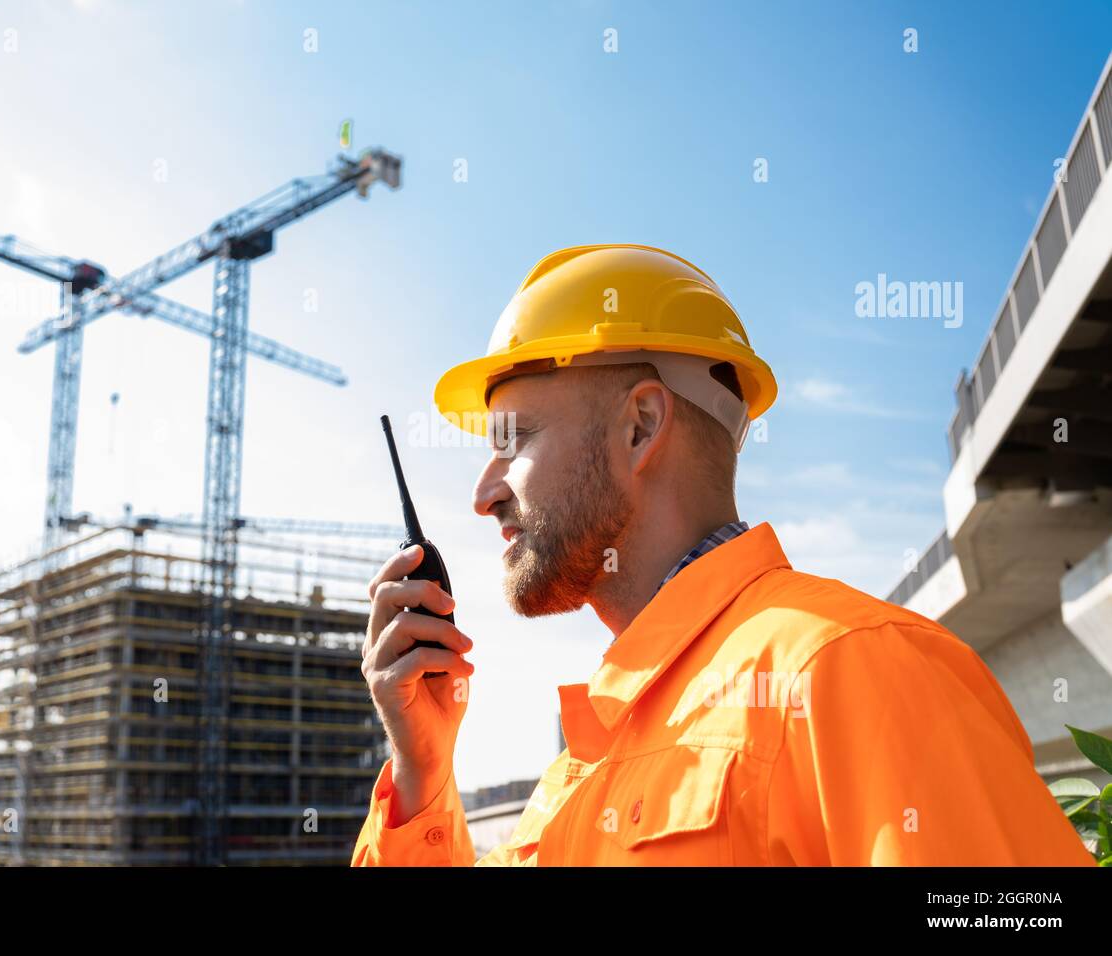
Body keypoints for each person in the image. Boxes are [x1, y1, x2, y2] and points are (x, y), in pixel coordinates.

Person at [351, 244, 1093, 866]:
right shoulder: (576, 777)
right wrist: (423, 773)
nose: (484, 495)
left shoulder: (853, 671)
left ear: (640, 425)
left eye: (514, 442)